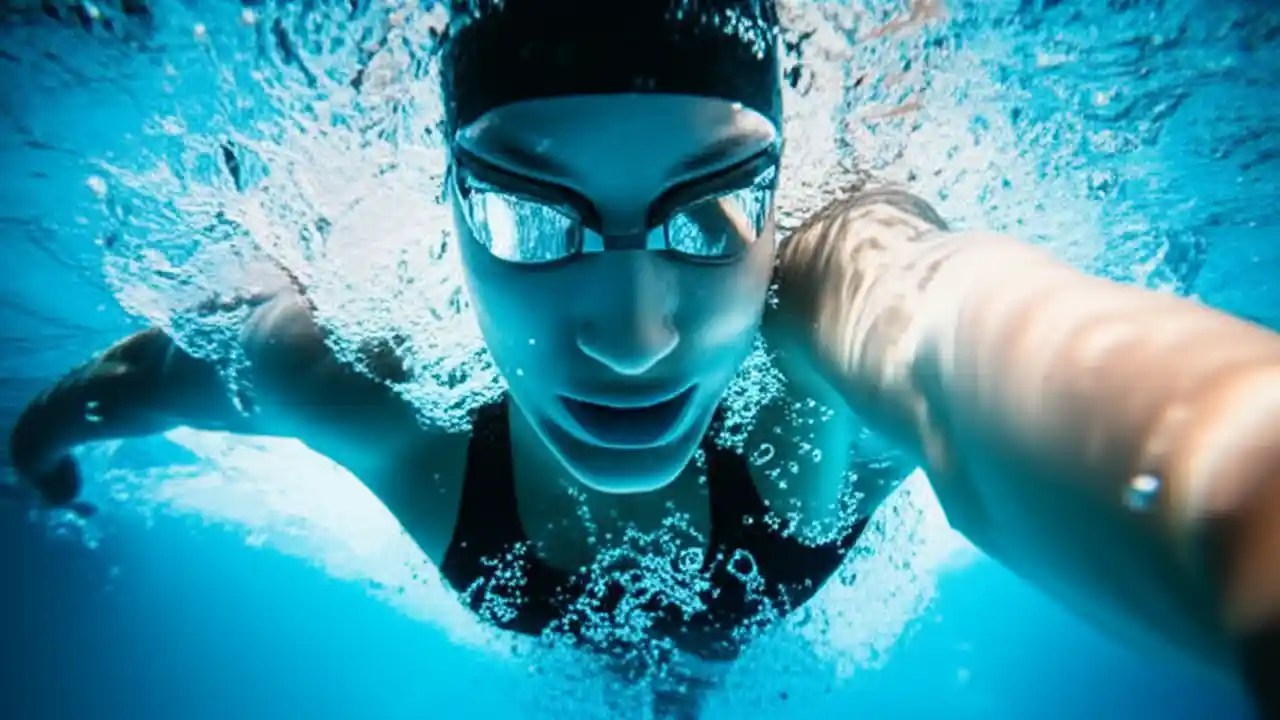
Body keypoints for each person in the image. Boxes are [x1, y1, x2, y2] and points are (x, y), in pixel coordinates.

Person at [7, 0, 1278, 716]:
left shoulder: (833, 304)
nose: (632, 339)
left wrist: (1240, 500)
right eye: (523, 216)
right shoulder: (356, 370)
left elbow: (978, 338)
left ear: (780, 213)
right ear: (445, 218)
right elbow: (118, 388)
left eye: (711, 211)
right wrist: (39, 447)